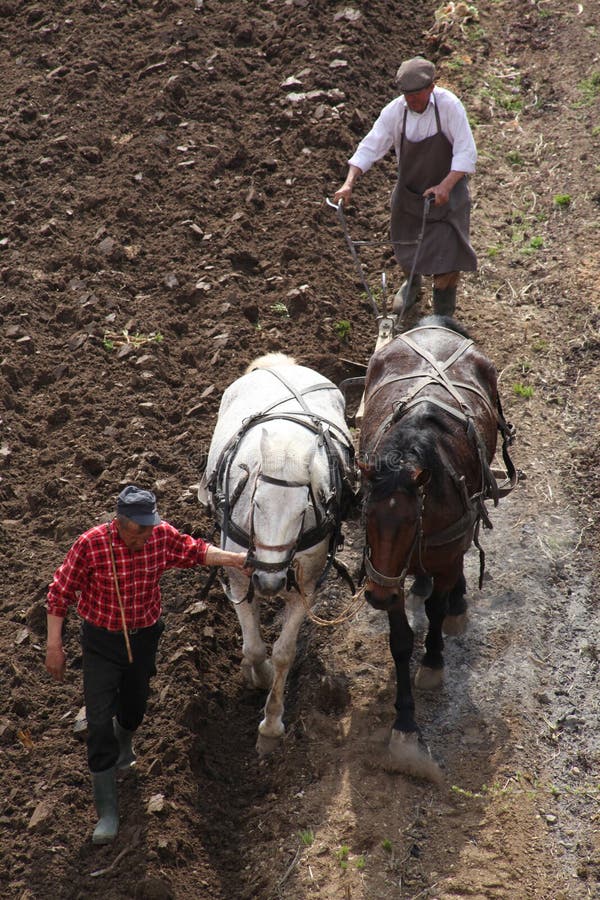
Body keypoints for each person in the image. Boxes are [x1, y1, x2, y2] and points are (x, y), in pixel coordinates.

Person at [45, 485, 251, 845]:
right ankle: (108, 811)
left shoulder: (159, 536)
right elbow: (60, 592)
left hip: (143, 637)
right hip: (101, 642)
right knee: (97, 722)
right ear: (120, 523)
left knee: (135, 708)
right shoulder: (91, 544)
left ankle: (126, 740)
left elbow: (195, 551)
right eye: (138, 529)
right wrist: (53, 645)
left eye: (149, 527)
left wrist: (236, 559)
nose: (145, 535)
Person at [334, 56, 477, 317]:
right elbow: (369, 147)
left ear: (431, 88)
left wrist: (445, 186)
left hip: (447, 196)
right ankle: (411, 285)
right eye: (406, 96)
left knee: (447, 255)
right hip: (410, 195)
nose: (411, 101)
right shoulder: (395, 111)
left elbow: (466, 153)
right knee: (408, 246)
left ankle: (443, 313)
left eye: (417, 95)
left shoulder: (449, 106)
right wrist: (348, 183)